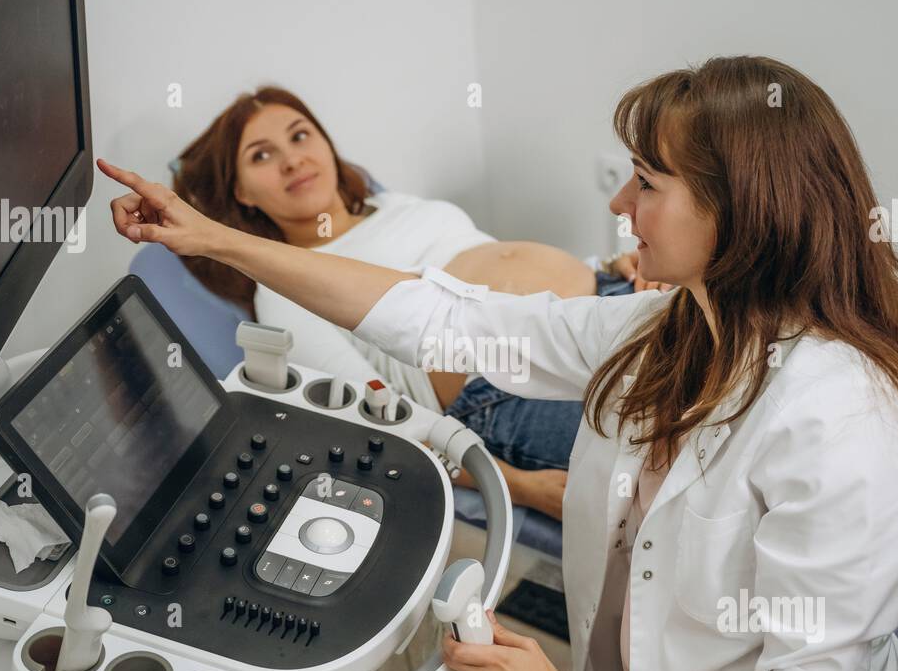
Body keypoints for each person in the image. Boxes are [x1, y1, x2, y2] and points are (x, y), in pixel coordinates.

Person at [97, 54, 898, 671]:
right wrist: (216, 242)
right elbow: (454, 320)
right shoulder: (671, 327)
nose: (621, 200)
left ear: (739, 210)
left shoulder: (841, 422)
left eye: (649, 182)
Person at [168, 85, 659, 519]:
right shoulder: (284, 284)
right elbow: (374, 416)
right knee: (689, 440)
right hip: (504, 390)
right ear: (241, 193)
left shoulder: (396, 206)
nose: (292, 160)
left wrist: (610, 264)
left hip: (596, 308)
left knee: (732, 381)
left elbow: (487, 267)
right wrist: (519, 488)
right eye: (261, 156)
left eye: (299, 136)